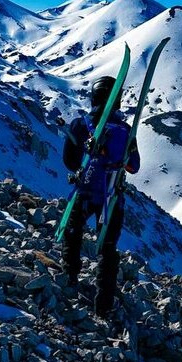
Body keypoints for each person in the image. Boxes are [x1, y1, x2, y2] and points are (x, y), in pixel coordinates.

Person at [61, 76, 140, 317]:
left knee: (72, 233)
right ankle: (103, 304)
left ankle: (69, 278)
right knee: (107, 248)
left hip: (83, 193)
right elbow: (134, 166)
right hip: (111, 198)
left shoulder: (78, 125)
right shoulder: (125, 131)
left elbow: (69, 161)